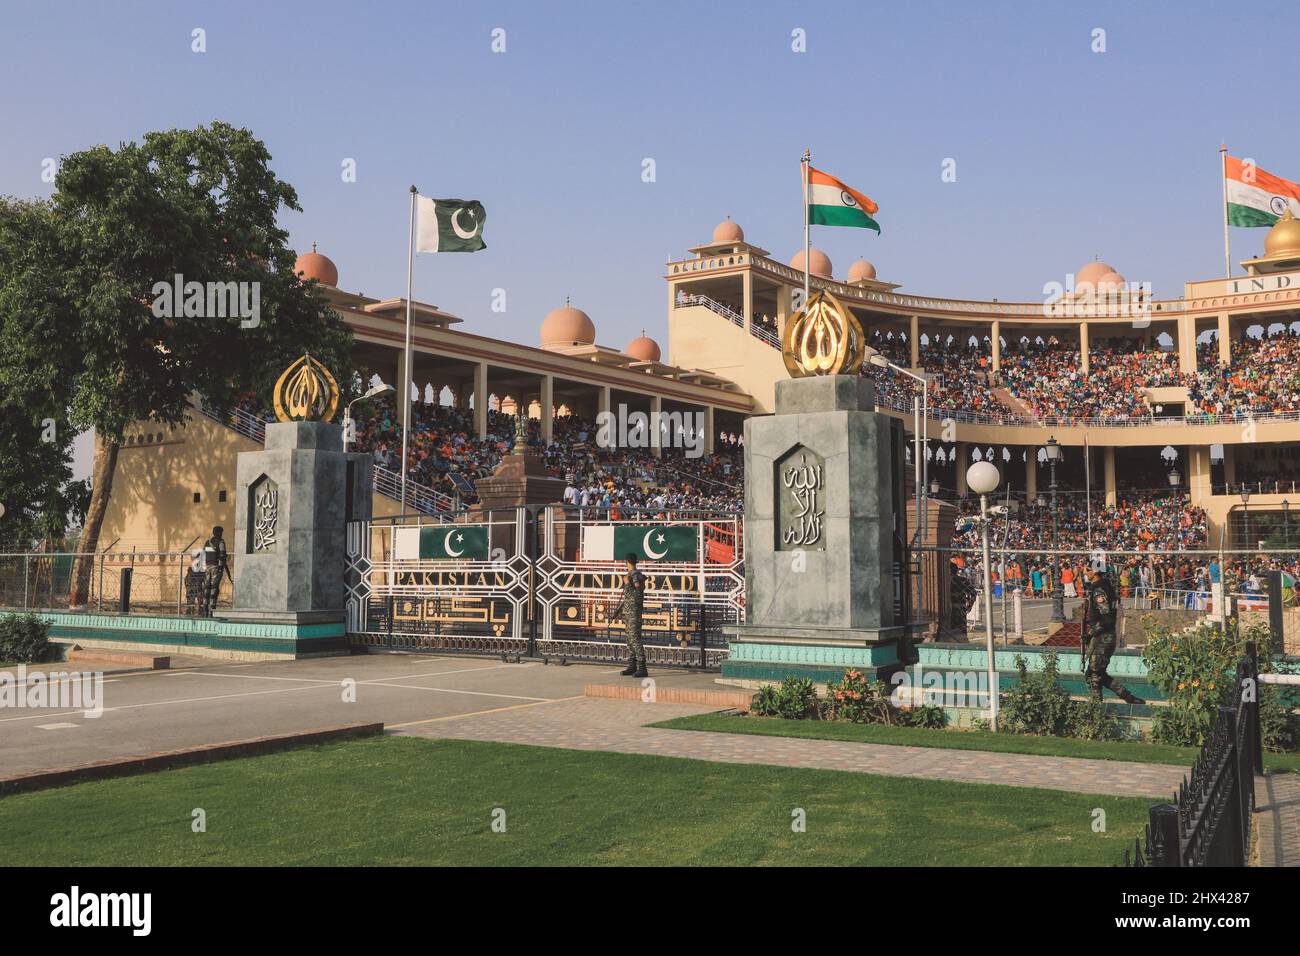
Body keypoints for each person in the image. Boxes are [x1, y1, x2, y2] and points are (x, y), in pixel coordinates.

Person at [1082, 558, 1144, 704]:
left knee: (1094, 674)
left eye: (1088, 569)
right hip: (1104, 636)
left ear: (1095, 572)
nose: (1085, 572)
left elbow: (1106, 618)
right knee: (1096, 673)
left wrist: (1090, 634)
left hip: (1103, 637)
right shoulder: (1104, 587)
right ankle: (1127, 697)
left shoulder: (1099, 590)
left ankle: (1096, 707)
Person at [612, 552, 647, 677]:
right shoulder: (630, 575)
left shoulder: (636, 576)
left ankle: (642, 667)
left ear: (627, 562)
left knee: (635, 639)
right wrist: (619, 610)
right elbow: (627, 598)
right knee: (629, 639)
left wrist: (627, 583)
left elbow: (637, 596)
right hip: (629, 612)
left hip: (634, 612)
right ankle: (632, 665)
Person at [202, 525, 231, 616]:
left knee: (207, 587)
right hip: (216, 567)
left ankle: (205, 609)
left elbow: (203, 554)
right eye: (221, 532)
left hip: (207, 567)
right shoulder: (221, 542)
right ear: (219, 533)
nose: (222, 534)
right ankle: (211, 610)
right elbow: (222, 555)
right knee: (214, 588)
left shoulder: (207, 542)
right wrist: (220, 568)